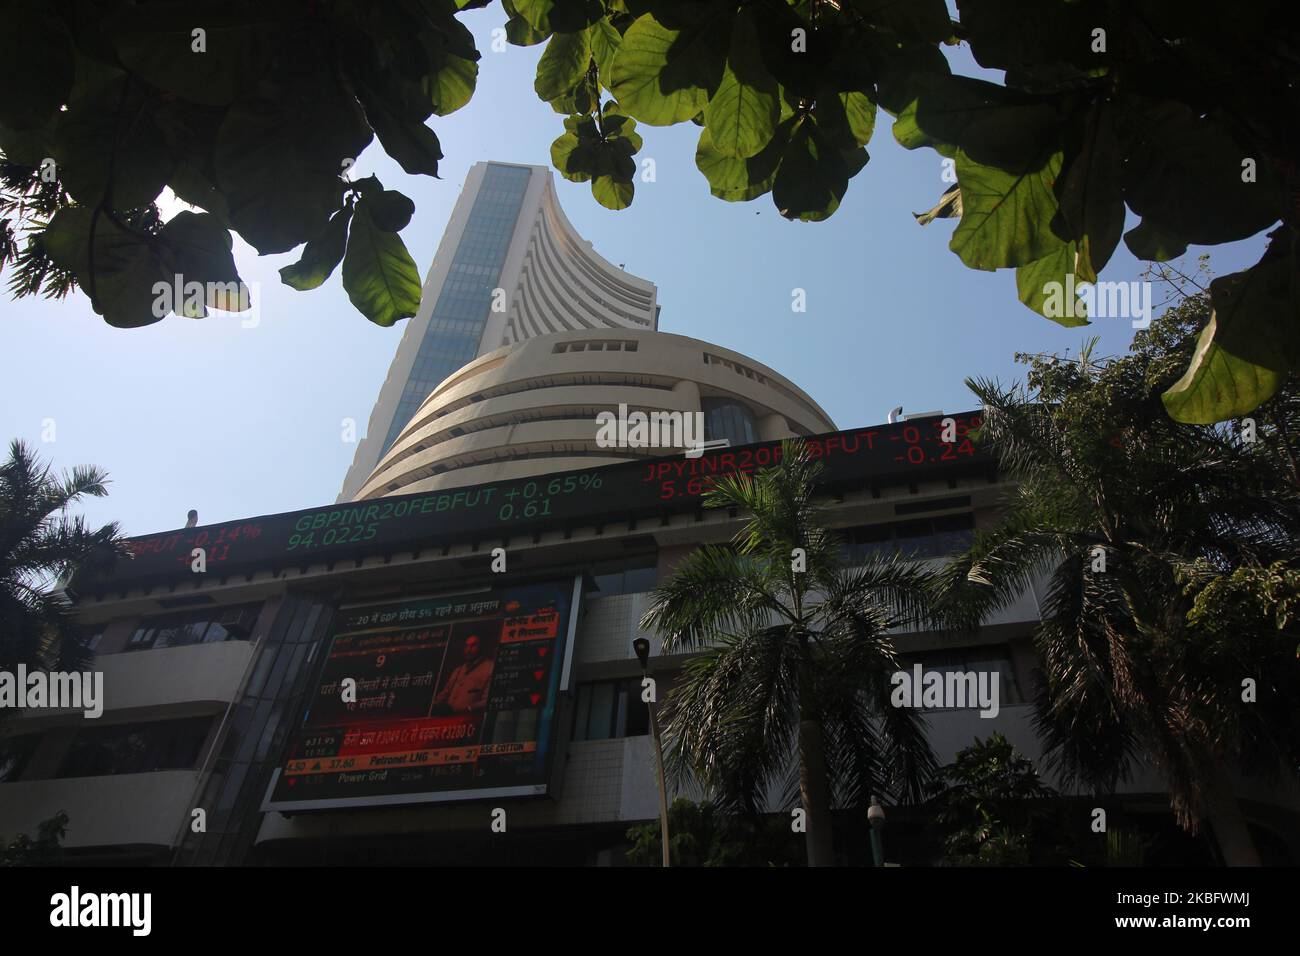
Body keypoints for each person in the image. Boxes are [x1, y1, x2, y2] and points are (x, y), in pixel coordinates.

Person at [430, 634, 494, 714]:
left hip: (471, 721)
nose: (469, 649)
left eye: (473, 645)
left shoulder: (490, 668)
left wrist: (468, 709)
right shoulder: (458, 670)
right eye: (467, 646)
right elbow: (445, 693)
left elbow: (488, 701)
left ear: (481, 647)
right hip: (447, 721)